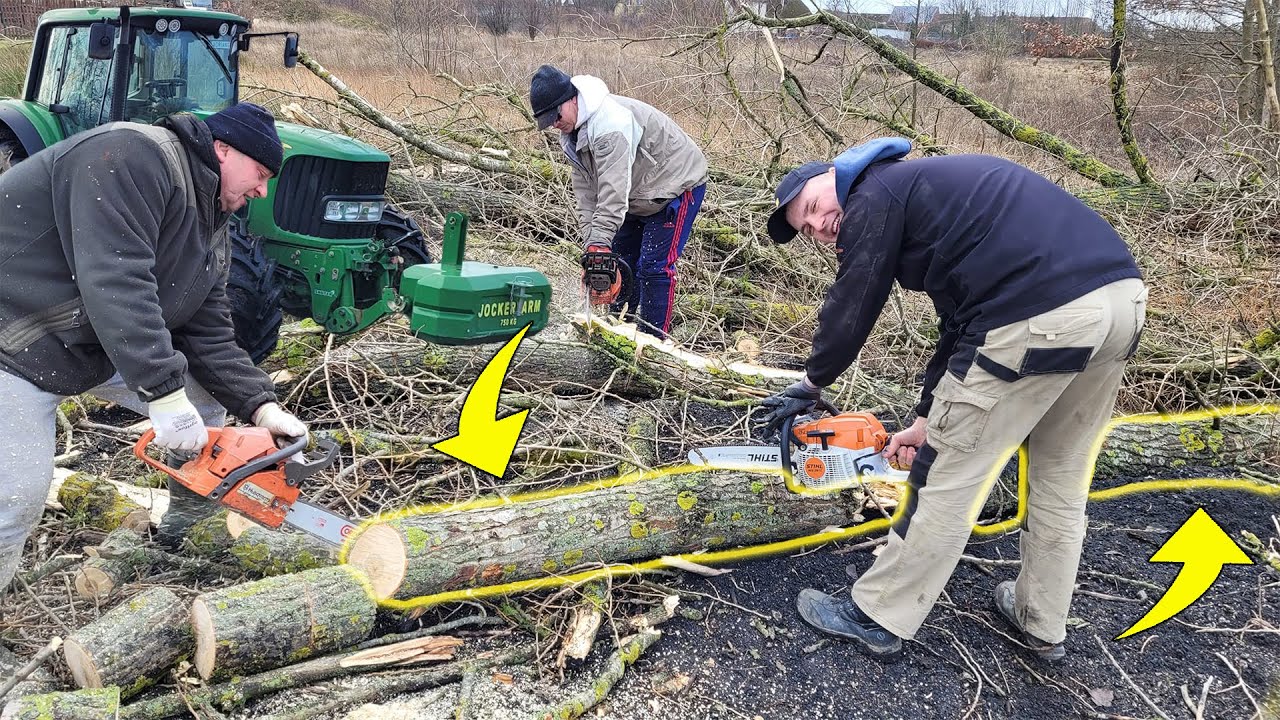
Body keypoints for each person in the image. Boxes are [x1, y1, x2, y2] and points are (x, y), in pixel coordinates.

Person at [758, 137, 1148, 661]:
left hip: (1040, 312)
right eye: (807, 229)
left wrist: (811, 382)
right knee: (1061, 471)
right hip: (1121, 302)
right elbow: (962, 325)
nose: (820, 226)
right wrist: (924, 417)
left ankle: (879, 614)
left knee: (946, 474)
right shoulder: (933, 195)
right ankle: (1042, 619)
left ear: (833, 175)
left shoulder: (875, 192)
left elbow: (855, 300)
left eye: (812, 208)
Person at [0, 103, 308, 590]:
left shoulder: (209, 224)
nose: (261, 190)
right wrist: (163, 397)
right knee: (14, 495)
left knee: (205, 396)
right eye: (261, 173)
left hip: (81, 346)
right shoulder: (131, 155)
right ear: (224, 149)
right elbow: (117, 282)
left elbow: (208, 332)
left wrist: (261, 405)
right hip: (12, 342)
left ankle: (188, 531)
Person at [529, 64, 708, 339]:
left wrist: (601, 243)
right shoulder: (571, 135)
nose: (555, 124)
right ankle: (617, 332)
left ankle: (652, 342)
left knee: (653, 267)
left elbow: (612, 194)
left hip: (675, 184)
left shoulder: (609, 124)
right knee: (620, 260)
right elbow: (587, 198)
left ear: (571, 99)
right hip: (636, 191)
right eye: (548, 121)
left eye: (556, 115)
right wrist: (593, 248)